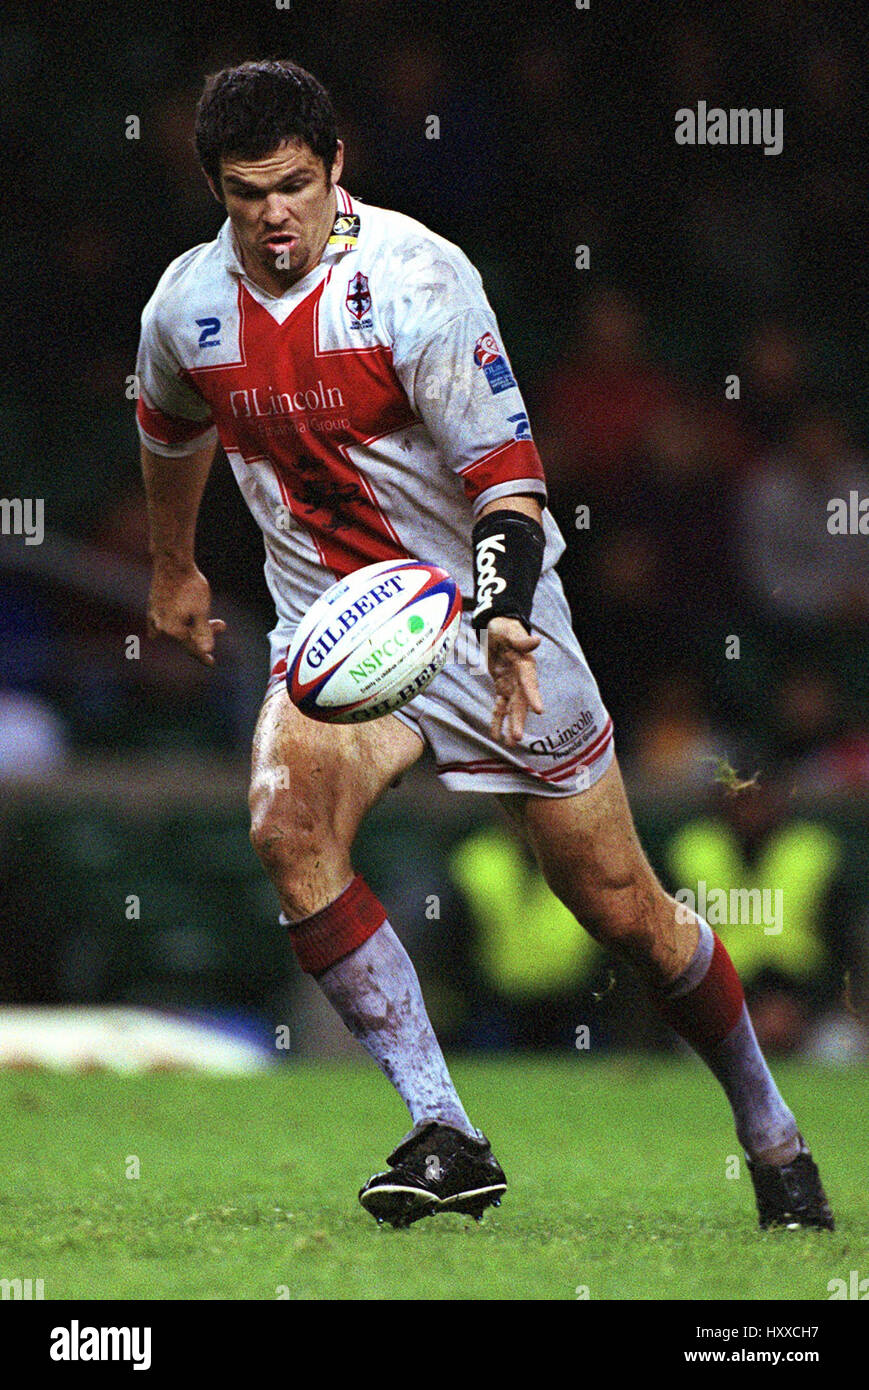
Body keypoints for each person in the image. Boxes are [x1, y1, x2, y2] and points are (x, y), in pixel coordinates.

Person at [137, 59, 833, 1231]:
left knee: (623, 910)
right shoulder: (183, 309)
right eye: (247, 191)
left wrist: (507, 615)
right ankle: (446, 1130)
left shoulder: (416, 281)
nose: (274, 215)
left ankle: (771, 1135)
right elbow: (167, 423)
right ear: (212, 184)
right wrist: (171, 564)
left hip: (476, 617)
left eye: (295, 186)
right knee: (284, 825)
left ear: (336, 166)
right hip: (338, 630)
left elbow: (505, 479)